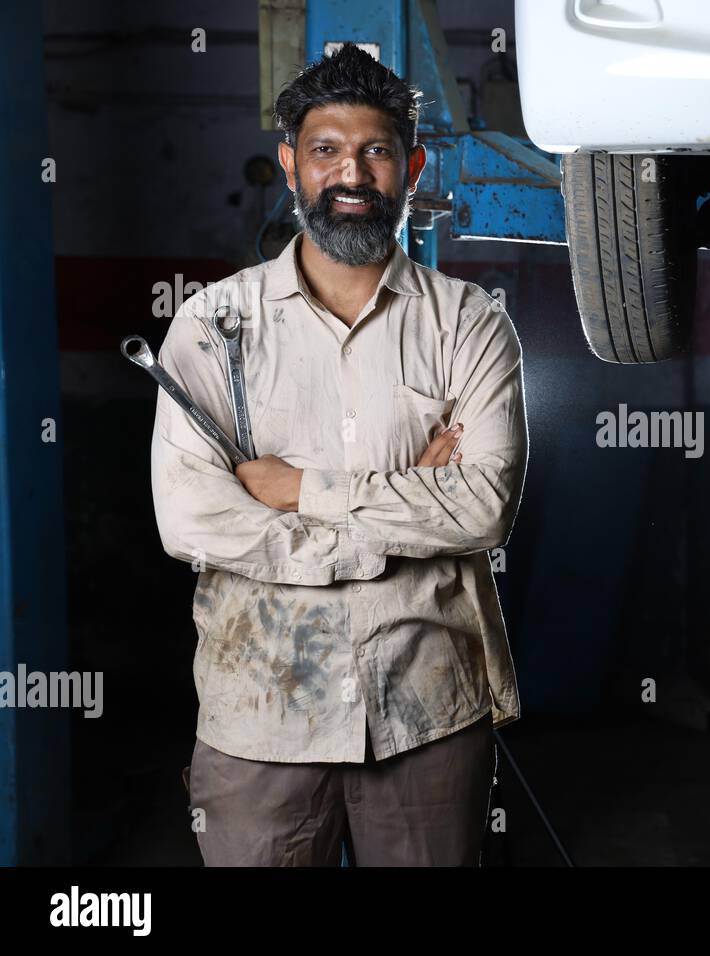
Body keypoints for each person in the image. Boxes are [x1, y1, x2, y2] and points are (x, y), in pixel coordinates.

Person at [149, 43, 528, 866]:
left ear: (412, 168)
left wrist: (297, 489)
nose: (350, 175)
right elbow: (190, 521)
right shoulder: (215, 327)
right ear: (290, 165)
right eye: (326, 151)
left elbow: (483, 508)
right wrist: (389, 523)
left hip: (427, 710)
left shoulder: (469, 323)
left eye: (376, 152)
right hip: (261, 712)